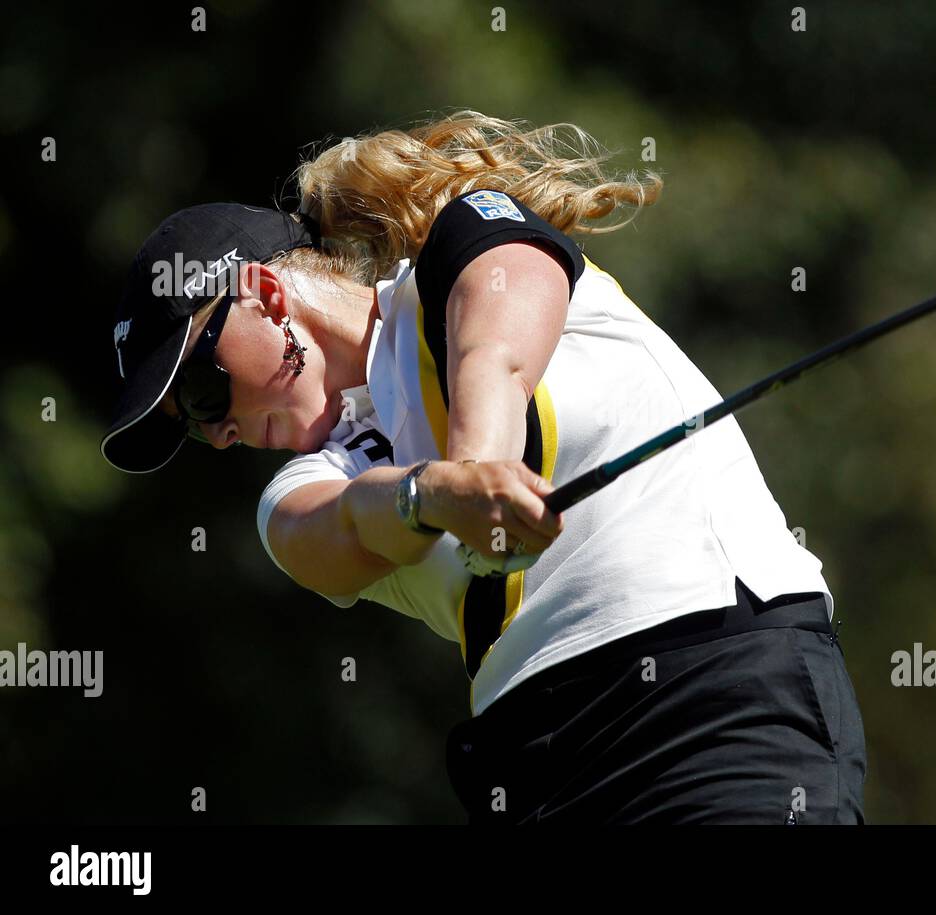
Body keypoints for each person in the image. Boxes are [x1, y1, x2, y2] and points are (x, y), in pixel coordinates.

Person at [99, 110, 867, 824]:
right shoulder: (301, 487)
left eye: (201, 393)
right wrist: (430, 494)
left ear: (264, 293)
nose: (222, 433)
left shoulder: (467, 244)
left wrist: (477, 468)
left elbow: (493, 350)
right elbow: (331, 530)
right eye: (198, 433)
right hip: (534, 762)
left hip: (714, 688)